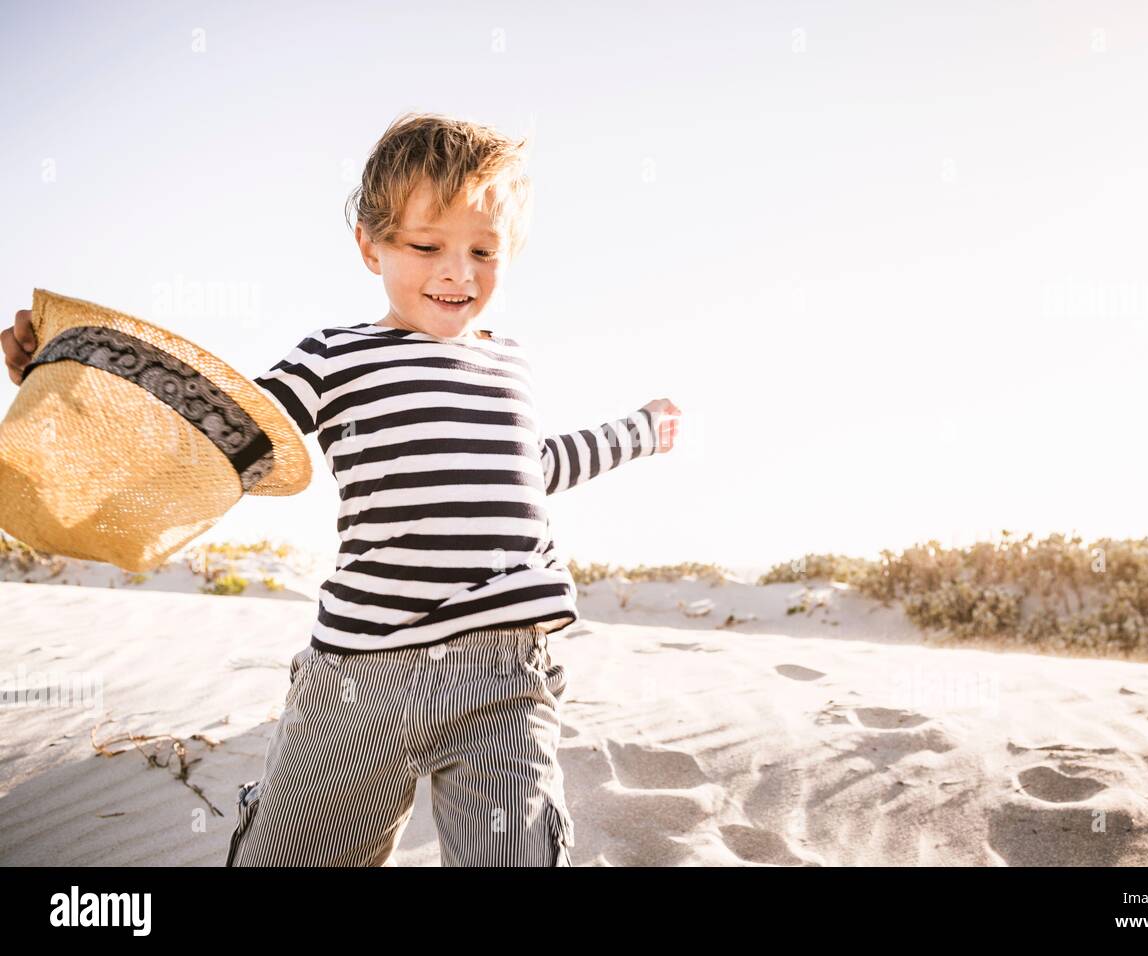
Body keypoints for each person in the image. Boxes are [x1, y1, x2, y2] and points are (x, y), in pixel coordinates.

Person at [1, 111, 681, 866]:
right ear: (372, 245)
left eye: (483, 251)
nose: (458, 271)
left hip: (504, 677)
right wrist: (66, 369)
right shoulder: (337, 355)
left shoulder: (511, 363)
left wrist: (640, 431)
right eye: (428, 247)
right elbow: (225, 428)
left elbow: (534, 467)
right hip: (360, 676)